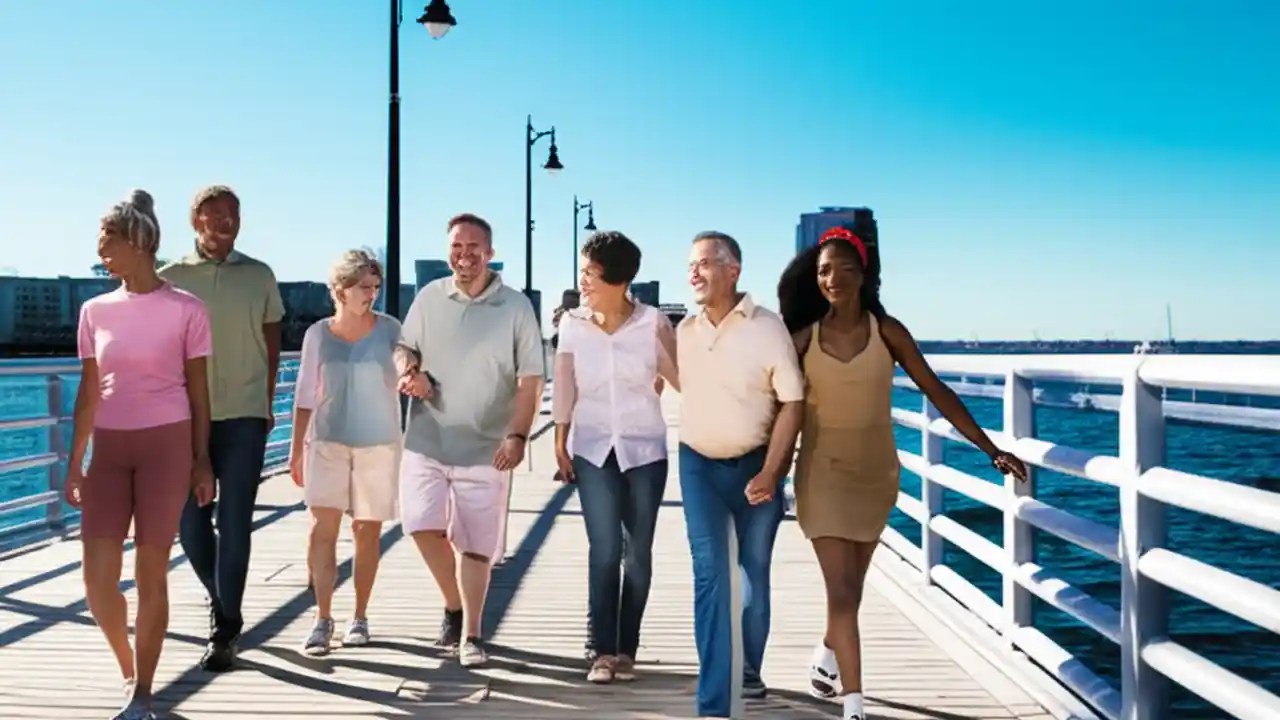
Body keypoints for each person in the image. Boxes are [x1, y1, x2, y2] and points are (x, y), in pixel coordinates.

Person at [777, 225, 1029, 720]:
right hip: (821, 475)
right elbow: (776, 406)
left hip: (875, 475)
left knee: (851, 591)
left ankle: (829, 652)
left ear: (862, 274)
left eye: (844, 268)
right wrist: (762, 469)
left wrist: (989, 448)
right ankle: (854, 706)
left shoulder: (887, 332)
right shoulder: (802, 339)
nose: (833, 278)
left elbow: (936, 391)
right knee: (843, 591)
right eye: (824, 270)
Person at [66, 189, 215, 720]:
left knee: (152, 570)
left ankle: (143, 694)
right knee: (97, 583)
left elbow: (199, 393)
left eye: (107, 245)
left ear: (136, 244)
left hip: (166, 446)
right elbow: (88, 393)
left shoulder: (187, 309)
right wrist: (74, 460)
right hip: (108, 449)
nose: (101, 255)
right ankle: (130, 665)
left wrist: (202, 459)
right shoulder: (93, 310)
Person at [394, 213, 545, 667]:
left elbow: (530, 379)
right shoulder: (428, 298)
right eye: (457, 247)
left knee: (476, 545)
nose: (465, 255)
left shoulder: (516, 307)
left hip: (488, 445)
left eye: (474, 247)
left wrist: (518, 435)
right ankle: (454, 605)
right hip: (426, 438)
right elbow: (405, 347)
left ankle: (472, 635)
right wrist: (409, 372)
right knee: (419, 524)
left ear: (490, 253)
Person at [677, 231, 805, 719]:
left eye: (706, 262)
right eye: (691, 263)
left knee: (752, 573)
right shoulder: (683, 331)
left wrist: (774, 471)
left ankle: (748, 671)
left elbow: (793, 402)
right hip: (698, 464)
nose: (694, 271)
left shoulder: (767, 328)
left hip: (757, 465)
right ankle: (714, 700)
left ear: (734, 271)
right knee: (711, 576)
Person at [159, 185, 285, 671]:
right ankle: (221, 597)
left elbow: (272, 342)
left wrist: (267, 400)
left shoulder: (259, 275)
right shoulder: (170, 278)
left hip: (245, 415)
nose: (225, 222)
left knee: (235, 521)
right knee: (190, 526)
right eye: (215, 215)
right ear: (195, 221)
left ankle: (224, 629)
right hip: (184, 417)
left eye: (233, 214)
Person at [551, 231, 679, 684]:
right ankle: (601, 650)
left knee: (638, 552)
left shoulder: (653, 324)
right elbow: (564, 386)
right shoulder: (572, 324)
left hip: (645, 448)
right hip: (591, 447)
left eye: (590, 273)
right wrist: (559, 442)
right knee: (604, 549)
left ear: (618, 279)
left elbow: (683, 379)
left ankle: (628, 648)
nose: (582, 280)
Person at [288, 249, 402, 655]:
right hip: (327, 442)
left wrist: (413, 372)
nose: (371, 294)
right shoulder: (318, 334)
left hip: (378, 444)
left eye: (375, 287)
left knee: (366, 531)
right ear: (340, 289)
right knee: (322, 531)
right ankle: (322, 618)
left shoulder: (391, 330)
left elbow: (408, 366)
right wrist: (295, 449)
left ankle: (360, 616)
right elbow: (304, 394)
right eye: (362, 287)